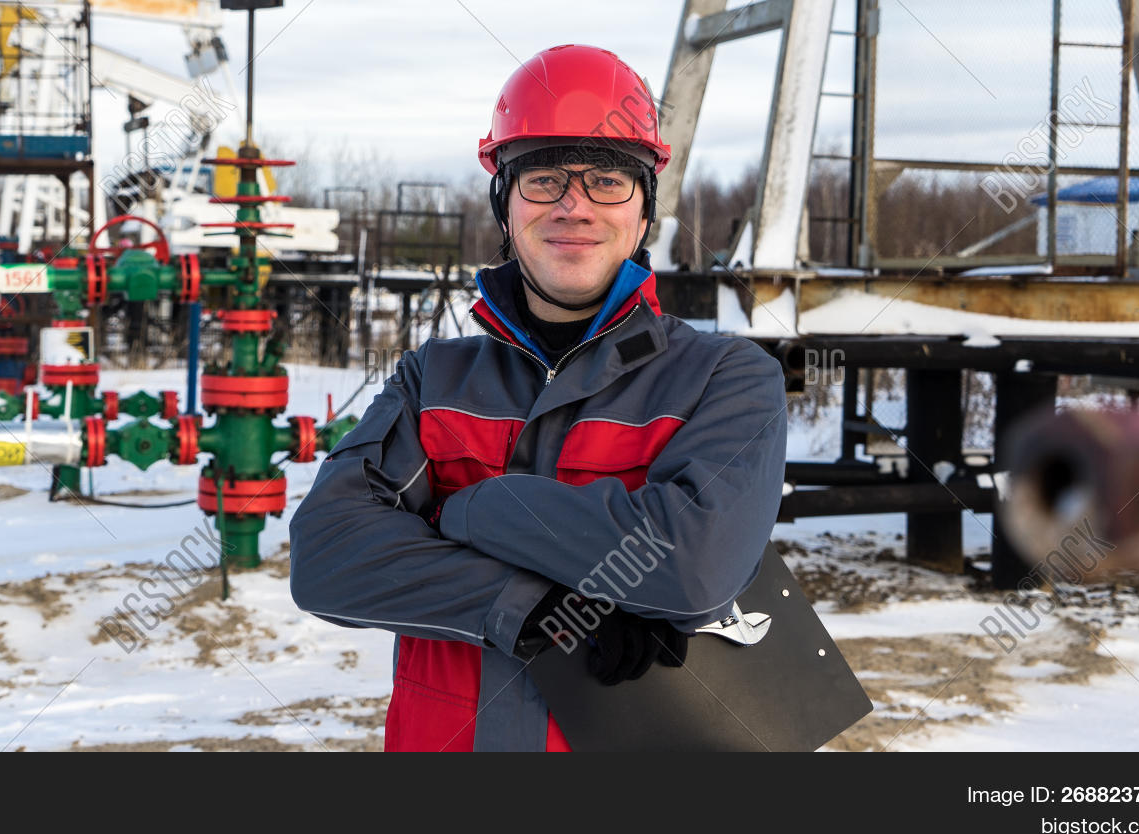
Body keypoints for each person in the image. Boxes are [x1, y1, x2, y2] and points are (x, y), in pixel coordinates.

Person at [289, 43, 787, 751]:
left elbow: (692, 566)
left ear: (645, 210)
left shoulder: (725, 378)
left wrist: (475, 507)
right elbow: (328, 558)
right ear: (506, 203)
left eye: (609, 179)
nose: (574, 205)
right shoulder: (434, 380)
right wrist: (533, 607)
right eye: (545, 177)